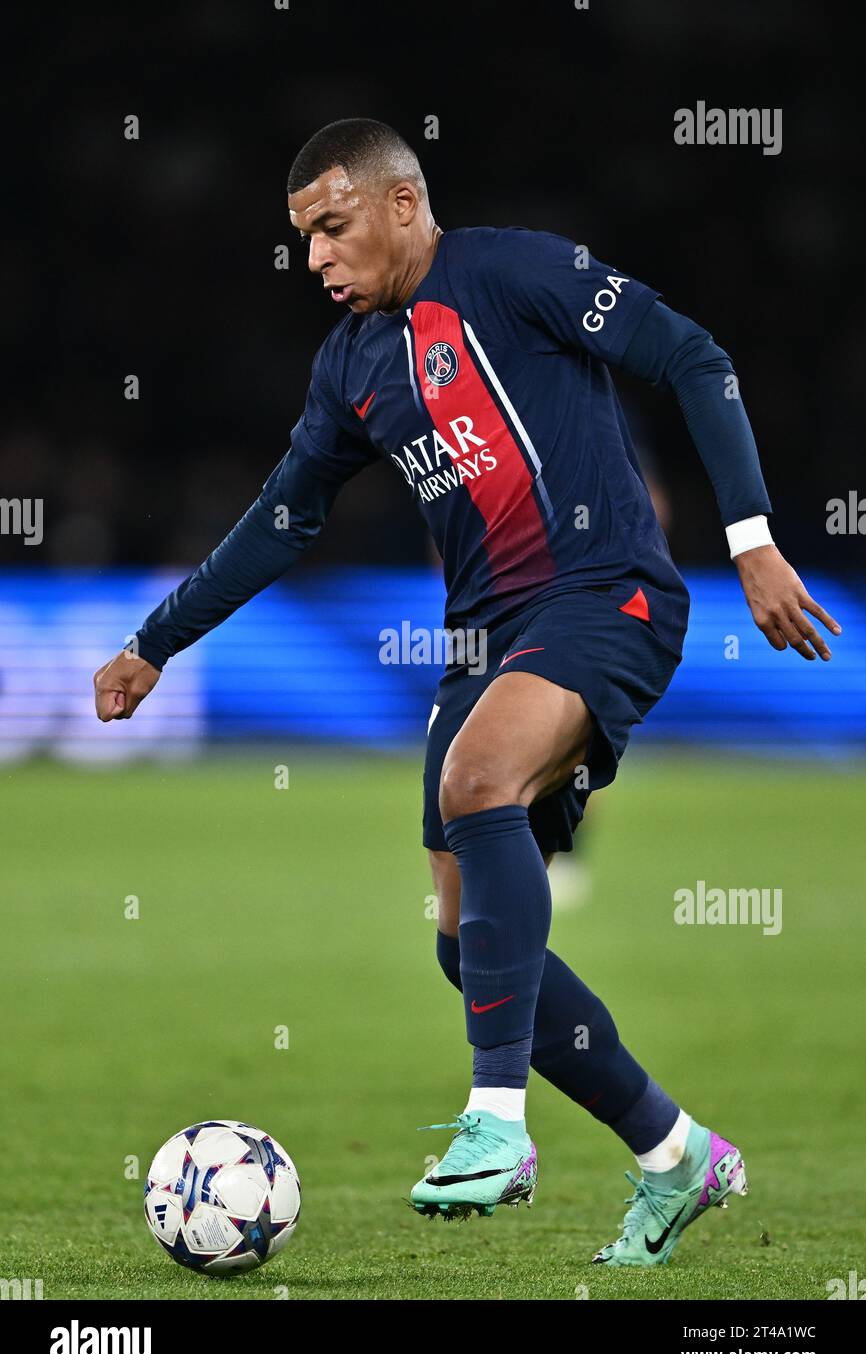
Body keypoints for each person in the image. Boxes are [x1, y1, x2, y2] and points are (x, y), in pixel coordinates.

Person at [93, 118, 840, 1266]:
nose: (317, 260)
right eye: (301, 241)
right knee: (465, 944)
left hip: (607, 596)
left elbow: (692, 355)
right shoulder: (348, 366)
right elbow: (284, 517)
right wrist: (157, 639)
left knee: (478, 775)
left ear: (402, 206)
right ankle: (673, 1150)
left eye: (333, 227)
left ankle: (496, 1125)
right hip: (484, 641)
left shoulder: (513, 270)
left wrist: (750, 540)